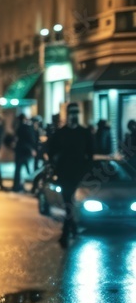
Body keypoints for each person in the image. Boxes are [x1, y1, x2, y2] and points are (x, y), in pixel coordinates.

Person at [46, 103, 95, 247]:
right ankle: (69, 229)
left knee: (70, 201)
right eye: (71, 113)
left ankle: (68, 230)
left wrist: (86, 170)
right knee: (68, 201)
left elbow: (90, 154)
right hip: (64, 173)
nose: (74, 116)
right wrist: (54, 166)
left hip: (77, 173)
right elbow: (51, 152)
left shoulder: (84, 133)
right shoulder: (61, 133)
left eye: (75, 113)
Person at [11, 114, 36, 192]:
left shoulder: (18, 127)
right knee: (24, 168)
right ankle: (19, 185)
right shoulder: (26, 127)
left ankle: (17, 185)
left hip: (19, 150)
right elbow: (31, 138)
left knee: (18, 169)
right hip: (25, 151)